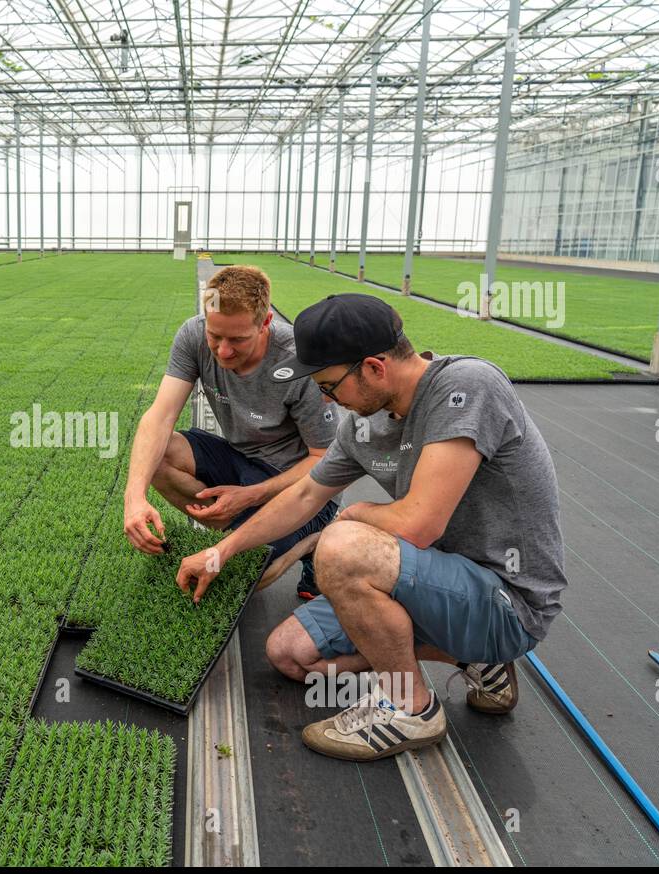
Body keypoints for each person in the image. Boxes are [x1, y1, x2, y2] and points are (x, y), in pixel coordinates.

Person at [174, 292, 567, 762]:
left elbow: (419, 524)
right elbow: (303, 496)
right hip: (433, 581)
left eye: (329, 385)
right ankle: (471, 656)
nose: (325, 398)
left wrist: (349, 520)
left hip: (505, 600)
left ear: (375, 368)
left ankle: (411, 709)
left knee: (343, 546)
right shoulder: (363, 425)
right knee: (290, 654)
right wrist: (223, 551)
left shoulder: (467, 387)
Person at [123, 265, 338, 599]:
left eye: (238, 339)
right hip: (242, 458)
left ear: (266, 323)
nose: (223, 351)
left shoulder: (297, 361)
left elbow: (324, 459)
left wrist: (252, 496)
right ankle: (239, 534)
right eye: (215, 336)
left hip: (300, 484)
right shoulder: (192, 334)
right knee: (159, 453)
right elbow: (158, 418)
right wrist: (133, 497)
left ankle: (315, 538)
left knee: (255, 569)